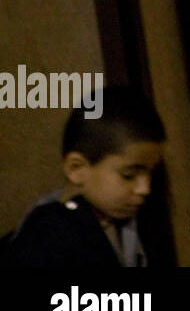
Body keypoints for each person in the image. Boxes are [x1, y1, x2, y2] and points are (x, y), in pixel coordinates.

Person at [4, 86, 166, 267]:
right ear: (76, 169)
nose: (145, 188)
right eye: (128, 175)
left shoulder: (127, 222)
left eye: (150, 174)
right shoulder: (48, 237)